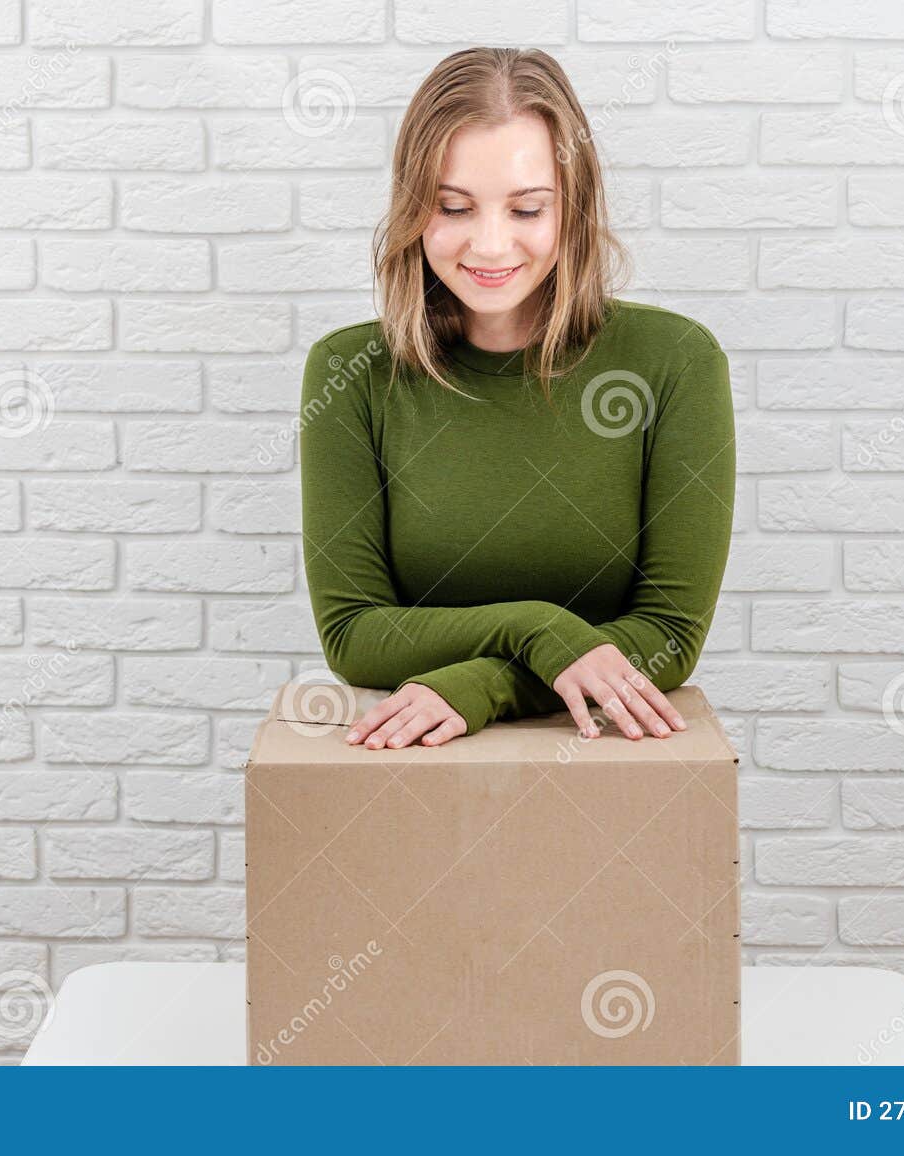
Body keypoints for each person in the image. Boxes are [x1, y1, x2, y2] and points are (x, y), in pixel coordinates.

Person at [299, 47, 735, 750]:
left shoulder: (675, 361)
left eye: (528, 208)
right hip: (408, 775)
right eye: (453, 207)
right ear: (413, 209)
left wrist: (485, 685)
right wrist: (540, 629)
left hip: (600, 765)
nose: (491, 244)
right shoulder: (350, 372)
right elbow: (354, 634)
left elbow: (670, 633)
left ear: (575, 209)